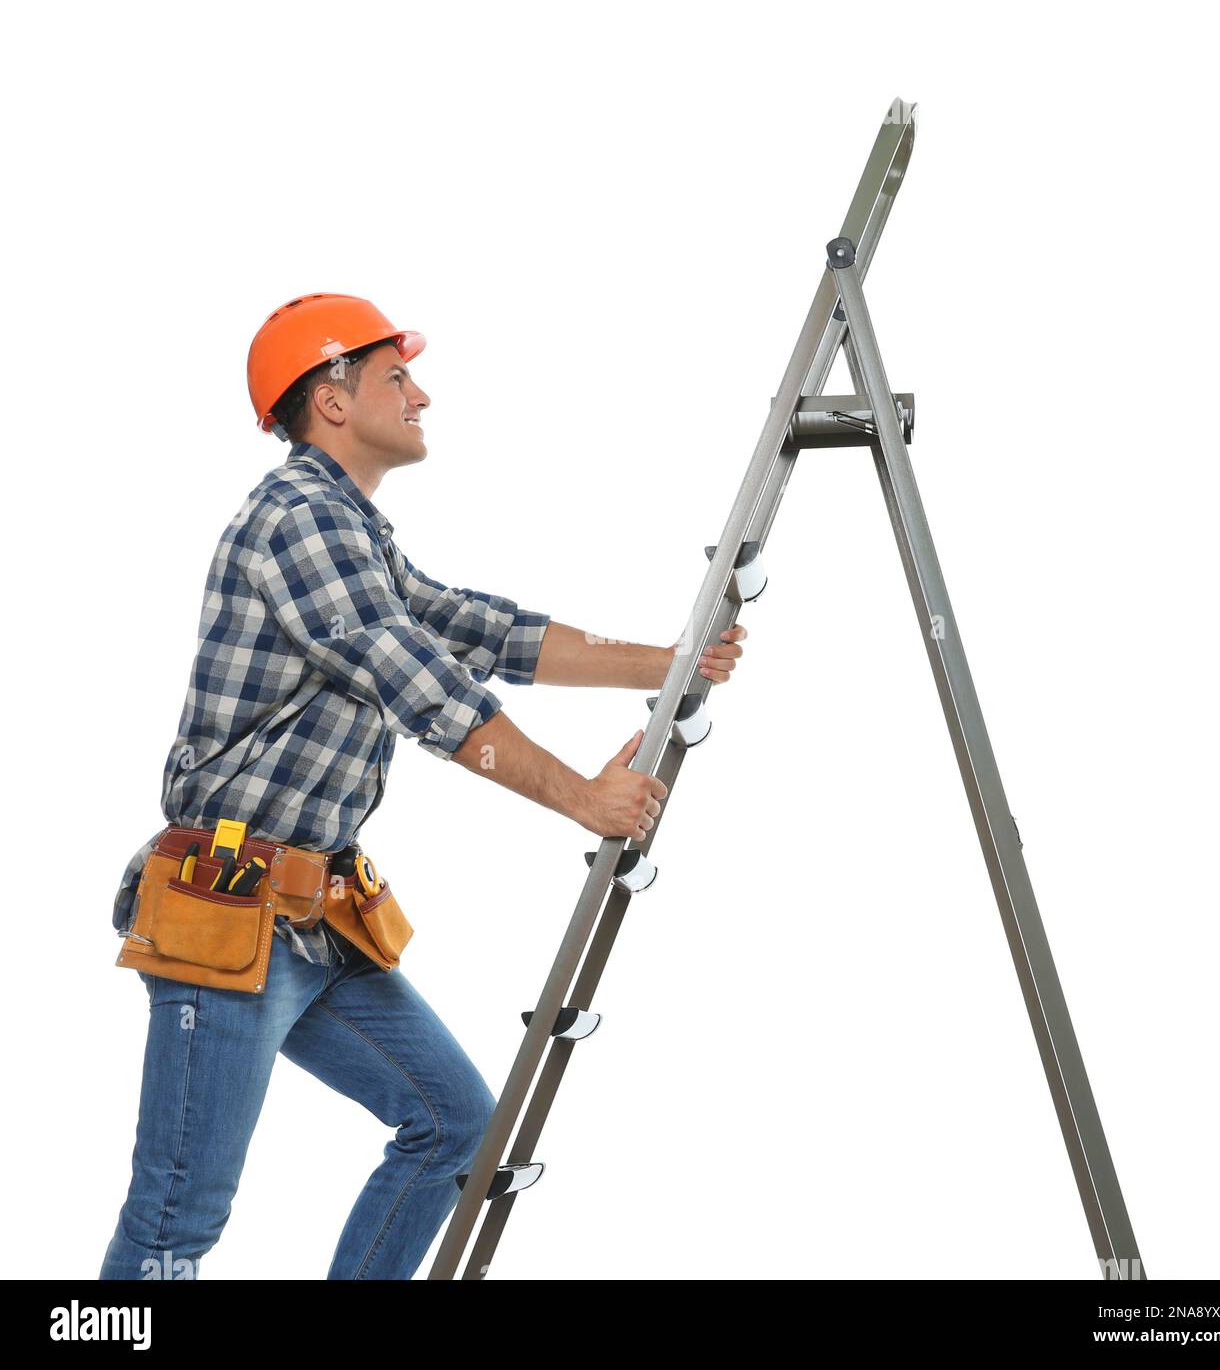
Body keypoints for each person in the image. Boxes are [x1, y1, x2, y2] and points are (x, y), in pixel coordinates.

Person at [100, 293, 748, 1280]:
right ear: (329, 396)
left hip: (310, 919)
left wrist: (667, 661)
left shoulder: (353, 532)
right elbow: (422, 686)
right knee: (175, 1223)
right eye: (396, 376)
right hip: (226, 920)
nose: (422, 394)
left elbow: (481, 630)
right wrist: (581, 796)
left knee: (454, 1125)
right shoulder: (297, 523)